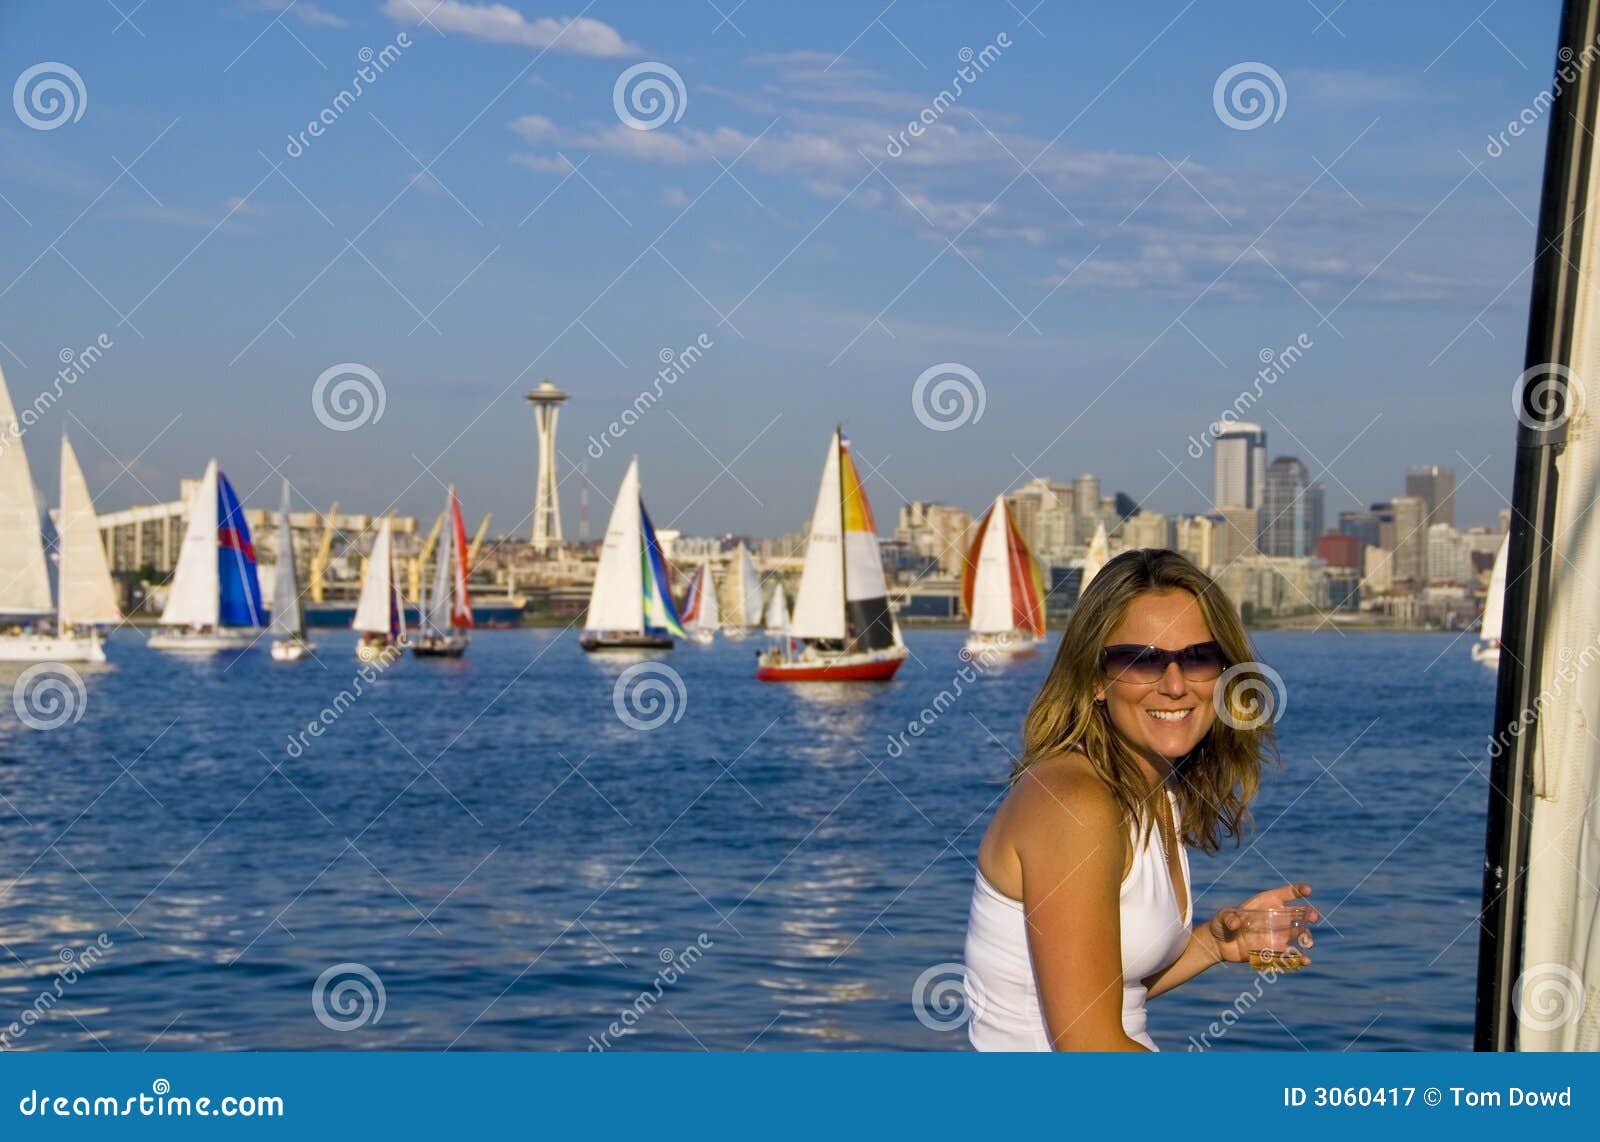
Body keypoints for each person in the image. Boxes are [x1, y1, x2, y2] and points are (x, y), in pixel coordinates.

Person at [963, 548, 1317, 1050]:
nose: (1174, 685)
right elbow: (1089, 1046)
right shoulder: (1074, 805)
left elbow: (1105, 994)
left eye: (1197, 657)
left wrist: (1212, 944)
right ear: (1095, 680)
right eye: (1141, 660)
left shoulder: (1151, 791)